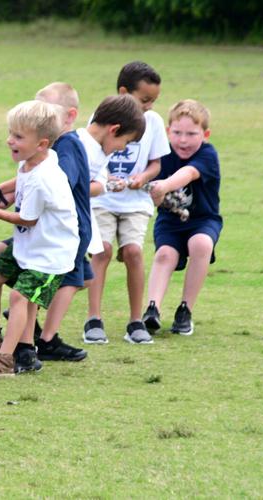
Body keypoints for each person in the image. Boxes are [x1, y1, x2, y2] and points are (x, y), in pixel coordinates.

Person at [0, 100, 79, 379]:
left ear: (41, 143)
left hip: (51, 255)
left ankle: (5, 359)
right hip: (30, 245)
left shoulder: (44, 177)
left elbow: (27, 219)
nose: (9, 140)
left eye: (17, 137)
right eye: (10, 133)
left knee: (19, 297)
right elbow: (19, 185)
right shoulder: (34, 161)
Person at [86, 61, 170, 345]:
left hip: (135, 202)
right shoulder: (100, 117)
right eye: (144, 99)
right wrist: (107, 177)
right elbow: (93, 156)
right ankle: (93, 319)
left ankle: (136, 321)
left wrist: (141, 177)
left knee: (133, 252)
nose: (148, 106)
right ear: (124, 92)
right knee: (103, 251)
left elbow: (156, 163)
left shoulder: (155, 122)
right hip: (103, 199)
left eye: (153, 101)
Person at [143, 99, 221, 337]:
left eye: (191, 133)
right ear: (168, 132)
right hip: (170, 222)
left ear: (205, 134)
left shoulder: (208, 154)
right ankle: (152, 309)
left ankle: (185, 310)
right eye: (177, 133)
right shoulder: (162, 156)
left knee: (201, 243)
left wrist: (163, 186)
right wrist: (151, 194)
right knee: (165, 254)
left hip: (203, 220)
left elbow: (188, 173)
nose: (183, 140)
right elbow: (150, 194)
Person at [76, 94, 147, 343]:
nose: (123, 149)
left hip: (124, 206)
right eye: (125, 142)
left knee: (74, 276)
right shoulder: (80, 146)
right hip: (64, 221)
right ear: (115, 130)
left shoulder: (98, 150)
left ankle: (41, 333)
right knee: (77, 273)